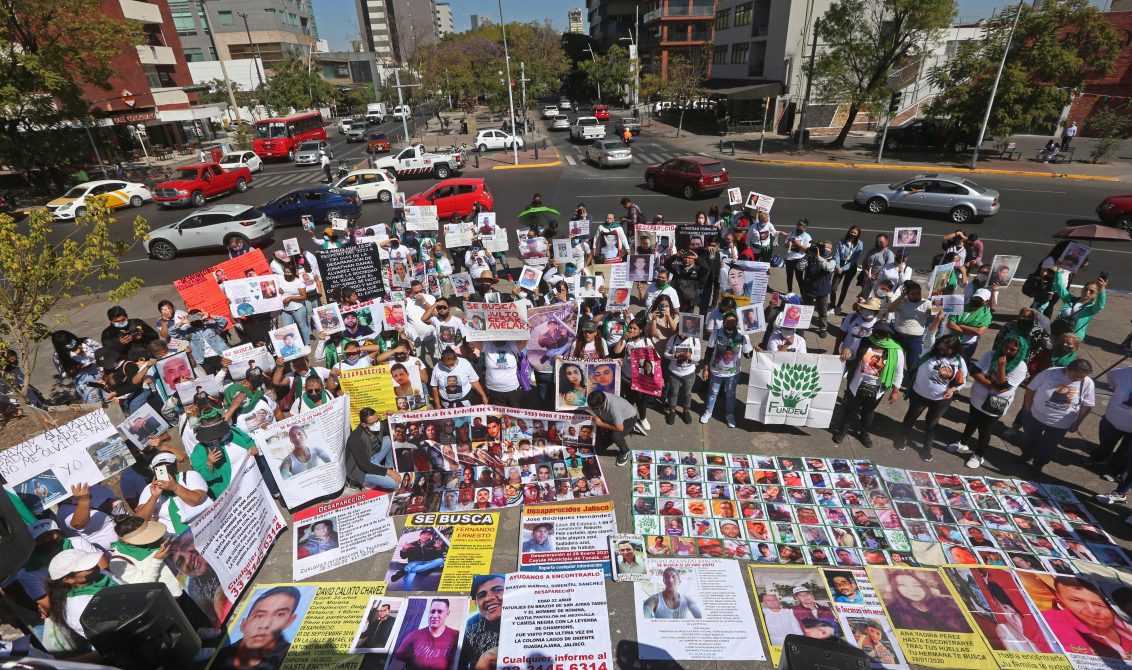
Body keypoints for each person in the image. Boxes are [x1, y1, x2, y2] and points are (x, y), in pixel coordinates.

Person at [947, 335, 1028, 469]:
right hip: (978, 397)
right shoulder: (991, 355)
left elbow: (1003, 387)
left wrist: (1001, 367)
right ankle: (963, 442)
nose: (1007, 351)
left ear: (1019, 351)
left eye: (1012, 350)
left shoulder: (1021, 367)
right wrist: (992, 385)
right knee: (972, 421)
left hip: (996, 403)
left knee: (985, 429)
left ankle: (979, 455)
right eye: (1006, 347)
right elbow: (975, 371)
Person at [894, 334, 967, 462]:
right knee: (911, 416)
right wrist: (937, 320)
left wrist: (952, 390)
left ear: (953, 349)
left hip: (941, 400)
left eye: (945, 350)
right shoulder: (929, 350)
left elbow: (963, 380)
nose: (941, 351)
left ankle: (927, 447)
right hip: (919, 395)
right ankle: (903, 437)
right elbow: (931, 333)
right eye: (940, 348)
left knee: (932, 423)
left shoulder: (959, 361)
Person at [831, 322, 904, 449]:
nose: (877, 337)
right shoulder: (864, 341)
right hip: (857, 383)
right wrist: (847, 350)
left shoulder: (896, 350)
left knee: (868, 411)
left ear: (887, 336)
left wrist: (895, 391)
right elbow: (851, 351)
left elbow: (899, 372)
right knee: (851, 409)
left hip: (877, 387)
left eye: (881, 335)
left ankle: (864, 433)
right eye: (876, 333)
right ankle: (842, 430)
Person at [1018, 359, 1095, 473]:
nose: (1078, 380)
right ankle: (1025, 456)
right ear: (1068, 369)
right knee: (1030, 439)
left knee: (1049, 446)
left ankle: (1038, 465)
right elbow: (1030, 389)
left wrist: (1077, 422)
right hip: (1035, 416)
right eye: (1076, 377)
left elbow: (1087, 406)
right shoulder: (1050, 373)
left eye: (1081, 378)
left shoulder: (1087, 383)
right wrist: (1027, 408)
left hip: (1060, 424)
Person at [45, 548, 120, 653]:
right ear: (68, 579)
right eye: (87, 568)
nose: (94, 566)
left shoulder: (100, 575)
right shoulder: (78, 606)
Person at [1040, 576, 1132, 660]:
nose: (1092, 611)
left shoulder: (1123, 621)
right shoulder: (1043, 622)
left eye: (1099, 604)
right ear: (1060, 597)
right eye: (1076, 601)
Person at [214, 586, 302, 669]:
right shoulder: (217, 655)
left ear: (290, 621)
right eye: (259, 616)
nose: (265, 625)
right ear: (244, 624)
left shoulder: (291, 656)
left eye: (280, 614)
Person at [700, 312, 752, 429]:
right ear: (723, 322)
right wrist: (705, 368)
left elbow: (748, 353)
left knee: (730, 394)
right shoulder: (717, 332)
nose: (730, 323)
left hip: (733, 373)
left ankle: (729, 414)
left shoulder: (742, 335)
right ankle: (708, 411)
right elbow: (709, 351)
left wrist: (750, 341)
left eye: (733, 321)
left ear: (737, 322)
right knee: (713, 393)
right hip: (716, 371)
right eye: (728, 321)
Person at [880, 570, 970, 633]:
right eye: (903, 585)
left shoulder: (944, 604)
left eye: (917, 585)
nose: (913, 590)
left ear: (924, 587)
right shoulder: (893, 612)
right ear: (896, 589)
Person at [392, 598, 461, 669]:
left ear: (447, 613)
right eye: (432, 611)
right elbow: (395, 666)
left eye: (439, 612)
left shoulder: (456, 636)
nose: (434, 615)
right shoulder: (413, 636)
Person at [345, 407, 400, 492]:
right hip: (360, 470)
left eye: (377, 420)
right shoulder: (356, 439)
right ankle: (365, 482)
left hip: (371, 457)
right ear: (364, 424)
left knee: (390, 439)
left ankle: (389, 466)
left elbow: (391, 423)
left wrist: (394, 415)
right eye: (373, 423)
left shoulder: (376, 425)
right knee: (395, 484)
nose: (377, 424)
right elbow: (365, 466)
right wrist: (388, 472)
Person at [459, 575, 505, 670]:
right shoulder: (469, 629)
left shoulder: (533, 615)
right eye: (481, 595)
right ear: (476, 604)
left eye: (498, 590)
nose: (488, 598)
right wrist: (484, 661)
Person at [586, 390, 639, 467]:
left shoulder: (614, 407)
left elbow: (620, 428)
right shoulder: (597, 400)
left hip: (628, 418)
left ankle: (625, 451)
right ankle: (626, 429)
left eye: (594, 408)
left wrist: (601, 424)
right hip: (613, 418)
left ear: (602, 403)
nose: (592, 409)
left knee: (615, 436)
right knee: (600, 445)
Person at [832, 226, 863, 314]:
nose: (853, 234)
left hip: (850, 266)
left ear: (858, 234)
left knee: (845, 288)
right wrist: (838, 266)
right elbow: (837, 254)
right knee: (834, 288)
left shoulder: (859, 244)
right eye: (852, 232)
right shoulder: (842, 241)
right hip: (840, 264)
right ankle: (832, 305)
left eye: (855, 233)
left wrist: (844, 268)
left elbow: (854, 259)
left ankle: (839, 306)